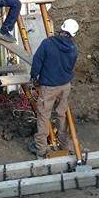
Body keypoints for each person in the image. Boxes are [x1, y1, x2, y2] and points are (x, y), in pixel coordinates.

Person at [28, 19, 79, 156]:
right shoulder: (74, 49)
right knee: (62, 114)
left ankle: (40, 146)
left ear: (61, 29)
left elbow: (37, 60)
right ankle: (64, 144)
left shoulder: (48, 43)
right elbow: (70, 68)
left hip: (49, 87)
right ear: (73, 34)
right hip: (65, 86)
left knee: (44, 115)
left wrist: (33, 76)